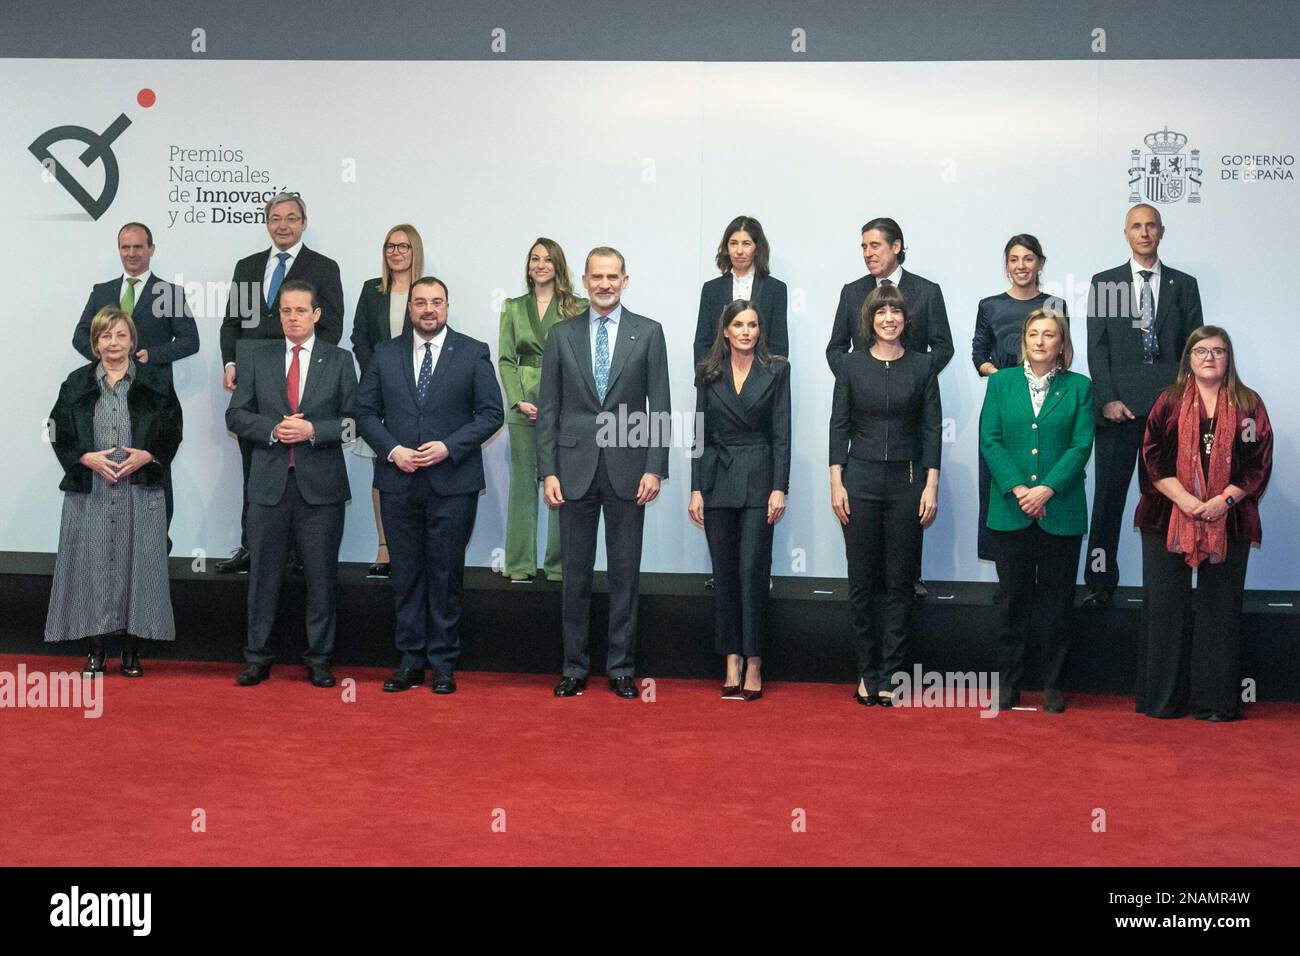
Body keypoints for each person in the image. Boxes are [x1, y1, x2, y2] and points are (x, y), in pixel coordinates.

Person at [356, 277, 503, 695]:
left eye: (436, 302)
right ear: (409, 308)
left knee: (444, 573)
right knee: (406, 574)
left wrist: (449, 447)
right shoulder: (385, 353)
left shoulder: (473, 352)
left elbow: (491, 413)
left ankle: (443, 663)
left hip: (452, 482)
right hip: (399, 479)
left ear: (447, 306)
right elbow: (364, 412)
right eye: (420, 302)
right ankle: (409, 661)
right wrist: (391, 450)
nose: (428, 309)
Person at [537, 247, 671, 699]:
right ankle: (573, 667)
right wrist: (547, 471)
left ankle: (621, 668)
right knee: (574, 576)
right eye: (597, 276)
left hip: (629, 472)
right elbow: (549, 410)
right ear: (585, 279)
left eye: (613, 276)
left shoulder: (649, 333)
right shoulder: (561, 334)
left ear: (625, 280)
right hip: (572, 471)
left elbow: (661, 407)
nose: (605, 284)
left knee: (624, 575)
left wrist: (655, 468)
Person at [1135, 327, 1272, 722]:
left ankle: (1215, 703)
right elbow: (1152, 456)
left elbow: (1258, 463)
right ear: (1188, 359)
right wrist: (1186, 500)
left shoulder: (1248, 405)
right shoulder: (1170, 401)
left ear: (1229, 358)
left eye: (1218, 351)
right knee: (1165, 609)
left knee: (1220, 612)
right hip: (1167, 517)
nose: (1209, 357)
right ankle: (1163, 701)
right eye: (1201, 351)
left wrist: (1220, 502)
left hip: (1229, 519)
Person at [225, 281, 357, 688]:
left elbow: (354, 422)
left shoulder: (339, 360)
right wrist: (274, 430)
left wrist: (314, 430)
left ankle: (318, 658)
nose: (293, 317)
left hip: (321, 489)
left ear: (317, 314)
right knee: (263, 577)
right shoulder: (256, 358)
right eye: (286, 311)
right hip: (268, 486)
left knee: (321, 576)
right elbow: (236, 416)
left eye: (301, 310)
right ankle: (257, 656)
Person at [45, 307, 182, 677]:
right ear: (95, 343)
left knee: (141, 568)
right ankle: (95, 653)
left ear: (132, 340)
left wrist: (149, 455)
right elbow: (57, 430)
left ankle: (132, 653)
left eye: (121, 335)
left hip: (140, 490)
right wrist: (83, 457)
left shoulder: (156, 383)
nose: (113, 343)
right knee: (89, 569)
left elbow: (173, 430)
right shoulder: (76, 384)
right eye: (105, 336)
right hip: (90, 492)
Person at [217, 192, 345, 573]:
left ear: (304, 223)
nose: (283, 225)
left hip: (301, 387)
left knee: (299, 471)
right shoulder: (248, 266)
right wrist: (231, 361)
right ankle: (252, 546)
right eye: (275, 218)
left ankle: (299, 553)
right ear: (267, 223)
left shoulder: (323, 267)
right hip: (255, 390)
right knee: (254, 468)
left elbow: (332, 328)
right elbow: (232, 323)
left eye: (291, 218)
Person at [1083, 204, 1203, 607]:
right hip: (1118, 413)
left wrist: (1183, 403)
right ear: (1126, 233)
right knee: (1108, 503)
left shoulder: (1183, 285)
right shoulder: (1107, 284)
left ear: (1162, 231)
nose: (1145, 232)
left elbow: (1194, 349)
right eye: (1137, 226)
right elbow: (1096, 350)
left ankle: (1167, 587)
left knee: (1168, 502)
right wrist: (1107, 399)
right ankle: (1100, 584)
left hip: (1168, 414)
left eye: (1151, 225)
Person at [826, 217, 951, 598]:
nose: (868, 254)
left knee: (903, 556)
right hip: (864, 426)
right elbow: (835, 348)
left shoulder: (926, 292)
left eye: (875, 246)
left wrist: (911, 375)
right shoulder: (852, 292)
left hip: (908, 424)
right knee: (863, 570)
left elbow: (943, 346)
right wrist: (859, 376)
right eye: (863, 247)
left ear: (897, 246)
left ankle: (907, 581)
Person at [830, 285, 940, 707]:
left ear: (905, 319)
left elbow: (932, 428)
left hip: (909, 483)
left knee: (899, 583)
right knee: (861, 583)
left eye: (896, 311)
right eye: (881, 312)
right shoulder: (851, 366)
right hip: (858, 480)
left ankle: (892, 673)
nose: (889, 318)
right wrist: (835, 480)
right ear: (870, 320)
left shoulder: (923, 365)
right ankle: (866, 671)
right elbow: (838, 425)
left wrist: (931, 485)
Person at [979, 310, 1094, 712]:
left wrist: (1045, 490)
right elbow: (990, 440)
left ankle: (1053, 685)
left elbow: (1081, 446)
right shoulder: (1000, 382)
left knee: (1057, 604)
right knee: (1012, 601)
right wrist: (1020, 489)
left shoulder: (1079, 387)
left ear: (1062, 343)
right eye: (1033, 334)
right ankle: (1008, 685)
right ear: (1023, 341)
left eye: (1049, 335)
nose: (1041, 341)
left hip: (1060, 509)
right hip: (1011, 510)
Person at [689, 299, 790, 701]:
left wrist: (780, 486)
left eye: (753, 324)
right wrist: (696, 487)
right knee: (725, 572)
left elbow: (782, 432)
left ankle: (754, 660)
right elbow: (698, 433)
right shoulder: (707, 372)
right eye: (739, 324)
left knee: (752, 570)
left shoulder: (777, 369)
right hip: (716, 478)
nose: (747, 331)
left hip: (759, 477)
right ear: (725, 331)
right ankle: (730, 657)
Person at [72, 222, 199, 533]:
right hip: (105, 397)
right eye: (125, 247)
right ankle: (107, 544)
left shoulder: (169, 292)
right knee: (107, 468)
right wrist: (108, 359)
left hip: (150, 398)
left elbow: (190, 340)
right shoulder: (101, 291)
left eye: (138, 247)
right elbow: (80, 336)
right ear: (119, 250)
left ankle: (157, 544)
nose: (131, 253)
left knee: (153, 468)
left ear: (151, 250)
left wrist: (151, 355)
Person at [972, 234, 1067, 569]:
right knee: (1001, 482)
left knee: (1045, 475)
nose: (1021, 266)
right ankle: (1010, 574)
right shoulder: (989, 305)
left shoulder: (1055, 304)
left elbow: (1061, 356)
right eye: (1013, 259)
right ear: (1006, 265)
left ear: (1040, 263)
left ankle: (1043, 567)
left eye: (1028, 258)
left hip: (1047, 405)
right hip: (1004, 404)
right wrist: (1004, 379)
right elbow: (978, 355)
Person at [498, 238, 588, 582]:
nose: (540, 264)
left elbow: (580, 361)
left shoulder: (577, 307)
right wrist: (518, 398)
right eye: (534, 258)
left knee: (560, 485)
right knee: (523, 486)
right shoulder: (512, 306)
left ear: (558, 265)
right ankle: (520, 564)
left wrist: (558, 404)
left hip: (564, 407)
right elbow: (506, 359)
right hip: (522, 408)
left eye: (547, 259)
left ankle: (559, 566)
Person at [349, 223, 424, 577]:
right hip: (378, 392)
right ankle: (384, 545)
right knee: (382, 472)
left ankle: (415, 548)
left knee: (416, 472)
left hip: (417, 395)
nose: (396, 252)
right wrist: (378, 374)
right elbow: (358, 336)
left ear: (415, 251)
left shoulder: (424, 291)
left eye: (403, 246)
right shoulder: (371, 289)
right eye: (390, 246)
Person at [692, 215, 789, 364]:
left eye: (746, 244)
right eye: (733, 243)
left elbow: (779, 347)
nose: (739, 251)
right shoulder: (711, 289)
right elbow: (702, 344)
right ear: (726, 248)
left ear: (757, 248)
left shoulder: (775, 289)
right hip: (718, 380)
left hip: (763, 381)